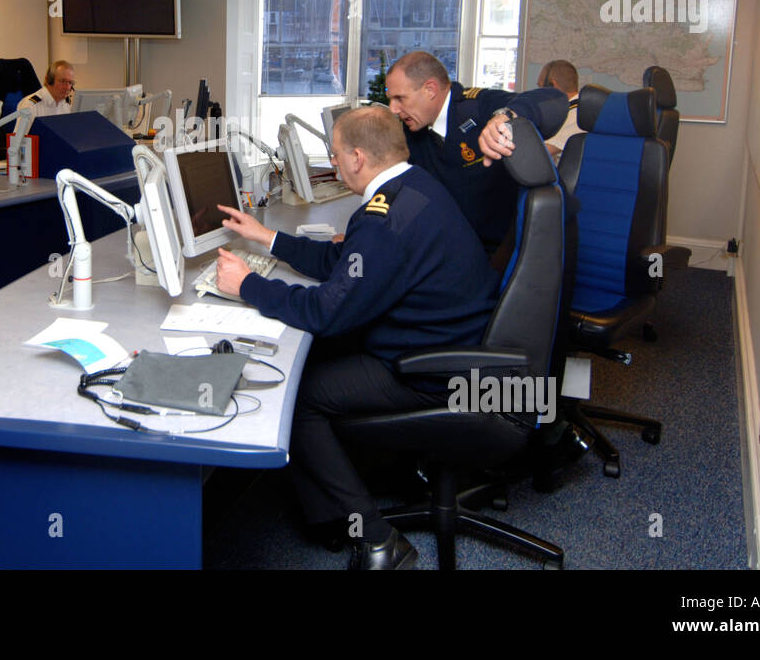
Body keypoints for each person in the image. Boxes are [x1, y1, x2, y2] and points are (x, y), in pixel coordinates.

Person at [214, 107, 498, 570]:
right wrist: (270, 239)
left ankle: (376, 538)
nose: (335, 161)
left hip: (430, 367)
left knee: (299, 396)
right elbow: (347, 263)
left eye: (336, 153)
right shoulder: (414, 187)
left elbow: (327, 312)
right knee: (318, 360)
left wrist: (247, 285)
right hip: (451, 340)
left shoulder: (383, 220)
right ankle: (331, 515)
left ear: (358, 158)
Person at [384, 51, 565, 256]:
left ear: (430, 89)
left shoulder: (479, 107)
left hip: (526, 245)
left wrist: (505, 119)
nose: (393, 109)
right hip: (468, 248)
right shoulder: (413, 133)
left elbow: (554, 100)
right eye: (391, 99)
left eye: (400, 98)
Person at [536, 59, 580, 163]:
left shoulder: (576, 114)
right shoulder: (572, 109)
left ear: (552, 86)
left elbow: (540, 153)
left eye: (540, 87)